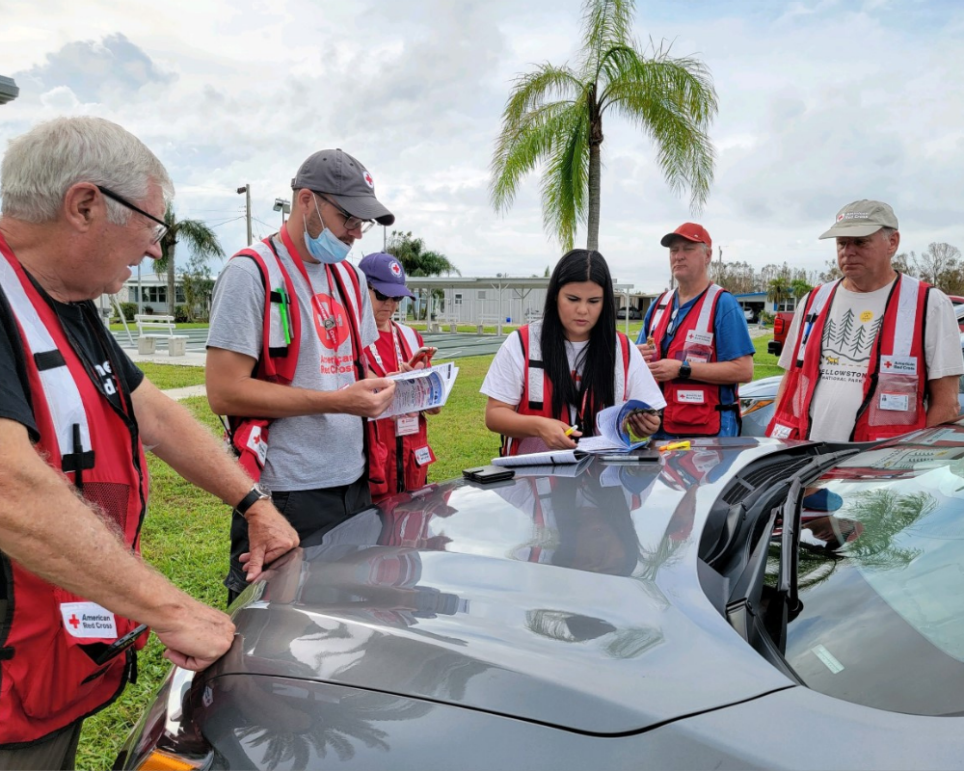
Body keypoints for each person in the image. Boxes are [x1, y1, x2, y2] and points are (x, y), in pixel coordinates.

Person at [0, 116, 298, 768]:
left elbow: (153, 414)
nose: (158, 250)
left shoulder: (63, 299)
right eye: (153, 227)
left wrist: (253, 502)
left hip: (42, 666)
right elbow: (8, 488)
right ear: (83, 205)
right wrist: (172, 608)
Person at [206, 148, 397, 601]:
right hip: (284, 491)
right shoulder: (251, 273)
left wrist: (397, 384)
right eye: (347, 217)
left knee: (346, 614)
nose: (354, 233)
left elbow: (356, 366)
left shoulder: (349, 278)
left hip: (354, 482)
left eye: (361, 222)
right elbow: (225, 392)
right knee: (275, 633)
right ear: (307, 201)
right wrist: (335, 401)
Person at [768, 199, 964, 442]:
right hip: (807, 459)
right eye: (842, 243)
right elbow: (790, 380)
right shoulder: (814, 300)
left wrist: (910, 461)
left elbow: (946, 405)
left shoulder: (928, 303)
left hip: (881, 468)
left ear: (892, 242)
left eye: (860, 242)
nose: (848, 251)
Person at [482, 249, 664, 455]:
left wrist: (647, 425)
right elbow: (494, 415)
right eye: (573, 299)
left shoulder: (621, 347)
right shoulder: (522, 343)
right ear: (555, 297)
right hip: (532, 479)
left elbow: (651, 412)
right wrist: (539, 427)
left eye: (594, 301)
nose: (583, 310)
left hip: (603, 479)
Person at [636, 223, 754, 438]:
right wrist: (637, 356)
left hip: (707, 435)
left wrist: (683, 369)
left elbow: (744, 370)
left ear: (707, 255)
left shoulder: (723, 304)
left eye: (687, 249)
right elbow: (637, 359)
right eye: (674, 250)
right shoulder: (660, 304)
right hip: (659, 430)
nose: (678, 256)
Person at [358, 252, 439, 501]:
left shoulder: (411, 337)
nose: (390, 304)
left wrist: (424, 386)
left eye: (397, 298)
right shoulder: (349, 338)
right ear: (361, 289)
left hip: (413, 454)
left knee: (412, 529)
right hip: (373, 459)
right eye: (382, 295)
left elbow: (435, 409)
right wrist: (392, 384)